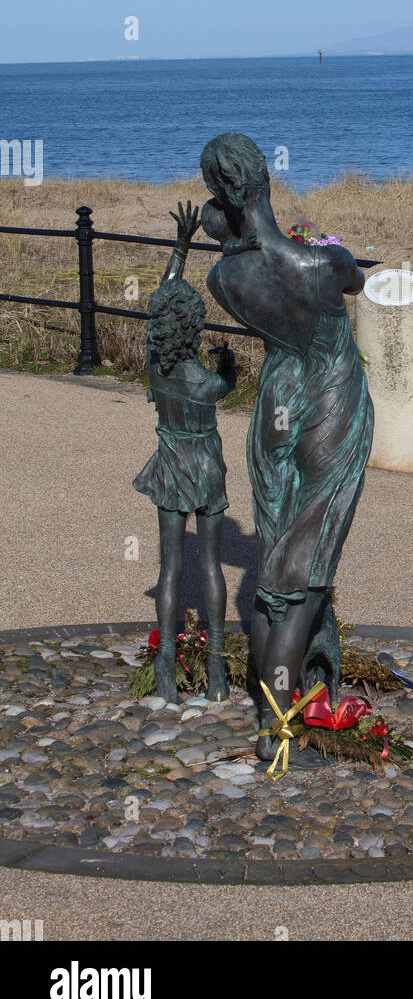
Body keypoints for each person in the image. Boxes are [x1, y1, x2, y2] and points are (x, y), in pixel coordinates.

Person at [199, 133, 373, 767]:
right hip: (330, 401)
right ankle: (280, 718)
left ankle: (280, 692)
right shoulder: (319, 265)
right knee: (305, 567)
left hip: (275, 406)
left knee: (276, 555)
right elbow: (352, 275)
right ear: (264, 178)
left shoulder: (224, 276)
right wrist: (317, 237)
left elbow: (250, 262)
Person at [133, 201, 236, 703]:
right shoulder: (203, 381)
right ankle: (216, 669)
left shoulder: (157, 365)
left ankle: (167, 669)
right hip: (205, 465)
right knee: (211, 565)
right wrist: (231, 364)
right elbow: (226, 385)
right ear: (195, 326)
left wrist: (180, 248)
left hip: (170, 463)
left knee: (170, 567)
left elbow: (162, 299)